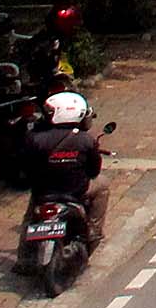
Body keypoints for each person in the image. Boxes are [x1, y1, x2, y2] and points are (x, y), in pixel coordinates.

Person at [25, 91, 107, 248]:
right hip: (75, 191)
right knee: (103, 185)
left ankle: (24, 248)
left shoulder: (34, 138)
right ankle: (94, 233)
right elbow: (94, 171)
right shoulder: (86, 140)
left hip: (43, 192)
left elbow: (26, 166)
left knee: (31, 214)